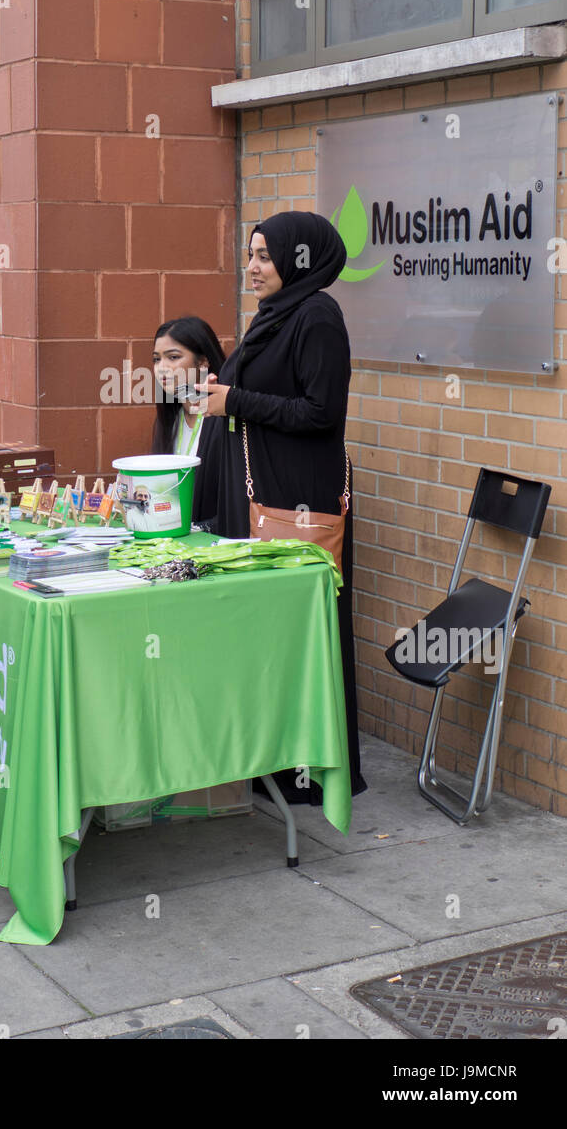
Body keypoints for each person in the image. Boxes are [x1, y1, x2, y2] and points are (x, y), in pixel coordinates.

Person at [197, 211, 367, 801]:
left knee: (300, 632)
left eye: (265, 256)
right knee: (267, 633)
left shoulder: (317, 317)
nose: (251, 266)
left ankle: (311, 775)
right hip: (262, 490)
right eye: (250, 254)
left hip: (297, 499)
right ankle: (271, 762)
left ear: (299, 259)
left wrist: (234, 398)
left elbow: (322, 414)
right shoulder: (277, 315)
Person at [150, 316, 226, 525]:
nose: (161, 368)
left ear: (203, 362)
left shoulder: (226, 420)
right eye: (157, 359)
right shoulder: (169, 421)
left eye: (173, 357)